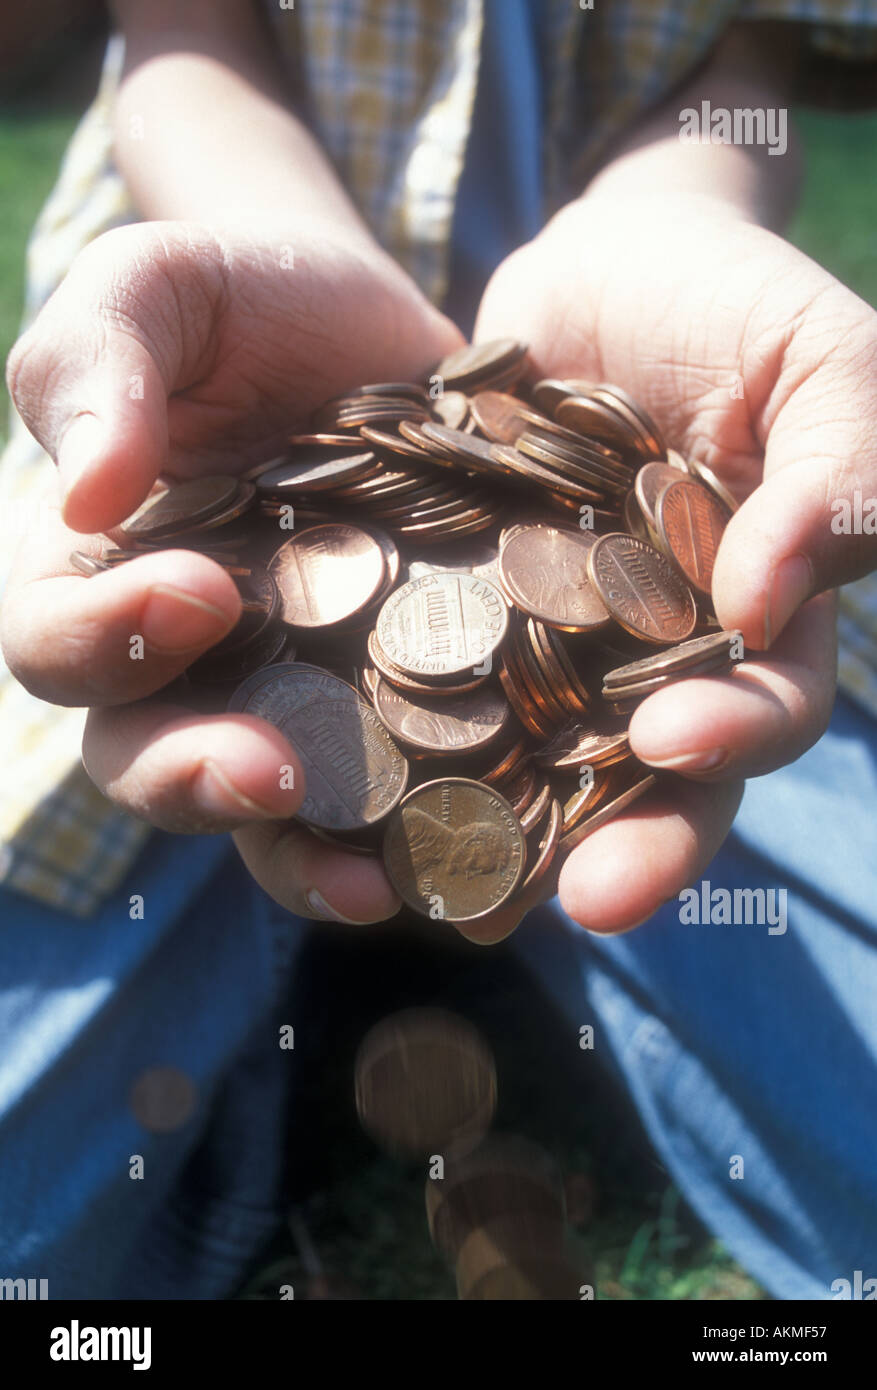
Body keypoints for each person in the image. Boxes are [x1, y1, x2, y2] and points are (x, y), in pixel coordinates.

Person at [1, 0, 876, 1299]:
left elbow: (750, 65)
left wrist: (671, 220)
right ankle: (392, 998)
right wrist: (271, 238)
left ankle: (367, 1005)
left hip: (653, 599)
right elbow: (181, 43)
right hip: (206, 502)